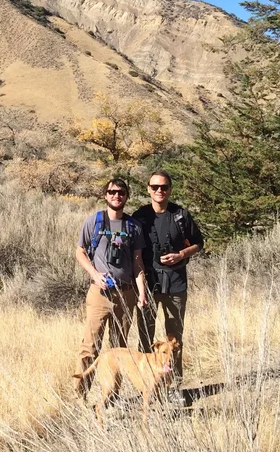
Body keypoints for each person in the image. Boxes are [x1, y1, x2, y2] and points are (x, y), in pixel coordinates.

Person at [74, 177, 148, 398]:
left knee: (119, 348)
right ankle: (80, 395)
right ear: (105, 195)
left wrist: (141, 292)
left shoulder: (133, 226)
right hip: (99, 294)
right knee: (90, 346)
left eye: (121, 192)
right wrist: (95, 274)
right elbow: (80, 252)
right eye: (112, 192)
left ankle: (111, 396)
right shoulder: (94, 222)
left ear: (126, 196)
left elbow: (138, 262)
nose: (117, 195)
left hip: (126, 294)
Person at [132, 170, 203, 386]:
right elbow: (133, 251)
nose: (159, 191)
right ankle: (147, 386)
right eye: (155, 187)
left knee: (175, 339)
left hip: (176, 284)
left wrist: (181, 254)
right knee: (145, 336)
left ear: (170, 190)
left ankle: (175, 385)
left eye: (164, 187)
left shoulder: (181, 215)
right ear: (148, 189)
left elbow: (198, 243)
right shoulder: (139, 217)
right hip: (149, 285)